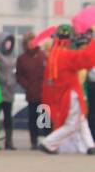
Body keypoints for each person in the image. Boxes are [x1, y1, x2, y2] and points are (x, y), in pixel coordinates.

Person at [39, 25, 95, 155]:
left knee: (81, 121)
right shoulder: (65, 55)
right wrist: (93, 41)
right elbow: (86, 59)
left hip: (63, 93)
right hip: (71, 94)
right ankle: (48, 143)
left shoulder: (54, 55)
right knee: (72, 124)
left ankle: (90, 146)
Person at [15, 31, 46, 149]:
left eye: (34, 41)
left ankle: (47, 139)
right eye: (29, 42)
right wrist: (27, 85)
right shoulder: (22, 59)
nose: (32, 44)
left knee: (45, 117)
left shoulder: (43, 55)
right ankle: (34, 141)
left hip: (44, 92)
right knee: (32, 118)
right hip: (31, 93)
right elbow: (19, 76)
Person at [0, 31, 18, 150]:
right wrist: (4, 80)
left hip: (9, 92)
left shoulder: (12, 55)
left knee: (8, 117)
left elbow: (14, 70)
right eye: (6, 42)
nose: (8, 45)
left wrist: (13, 81)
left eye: (10, 42)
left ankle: (9, 141)